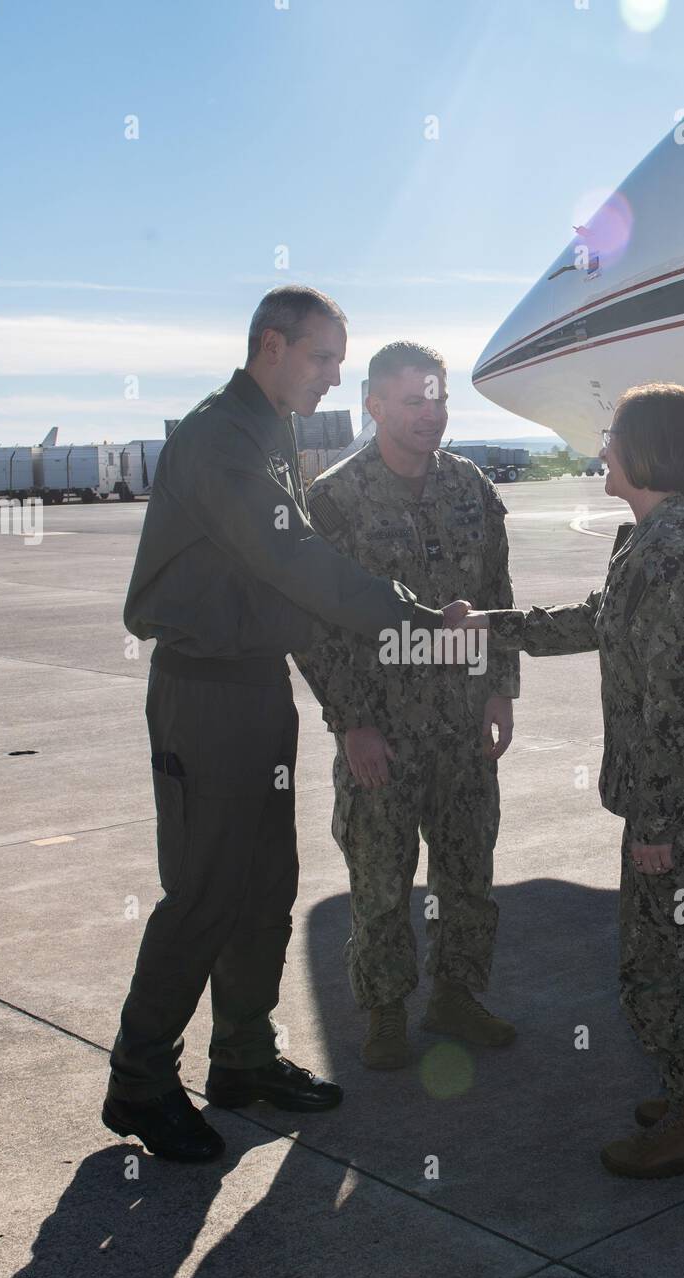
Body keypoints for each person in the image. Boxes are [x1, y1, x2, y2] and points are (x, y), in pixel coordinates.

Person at [104, 289, 469, 1161]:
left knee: (266, 886)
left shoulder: (269, 435)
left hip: (257, 687)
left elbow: (292, 577)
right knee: (203, 891)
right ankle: (139, 1081)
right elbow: (297, 562)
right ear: (271, 346)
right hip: (207, 693)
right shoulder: (221, 439)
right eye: (323, 358)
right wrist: (413, 616)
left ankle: (242, 1059)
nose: (335, 376)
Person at [461, 383, 684, 1177]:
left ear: (644, 450)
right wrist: (491, 628)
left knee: (662, 960)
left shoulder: (673, 554)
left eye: (612, 435)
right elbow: (597, 622)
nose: (600, 447)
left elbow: (682, 709)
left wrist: (658, 825)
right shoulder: (662, 538)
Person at [294, 342, 520, 1068]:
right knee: (381, 882)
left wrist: (498, 691)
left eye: (440, 399)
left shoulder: (470, 488)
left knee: (468, 875)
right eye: (415, 401)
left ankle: (456, 996)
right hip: (381, 730)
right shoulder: (333, 498)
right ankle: (385, 1014)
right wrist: (350, 722)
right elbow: (313, 623)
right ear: (374, 406)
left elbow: (497, 599)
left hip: (461, 727)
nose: (432, 415)